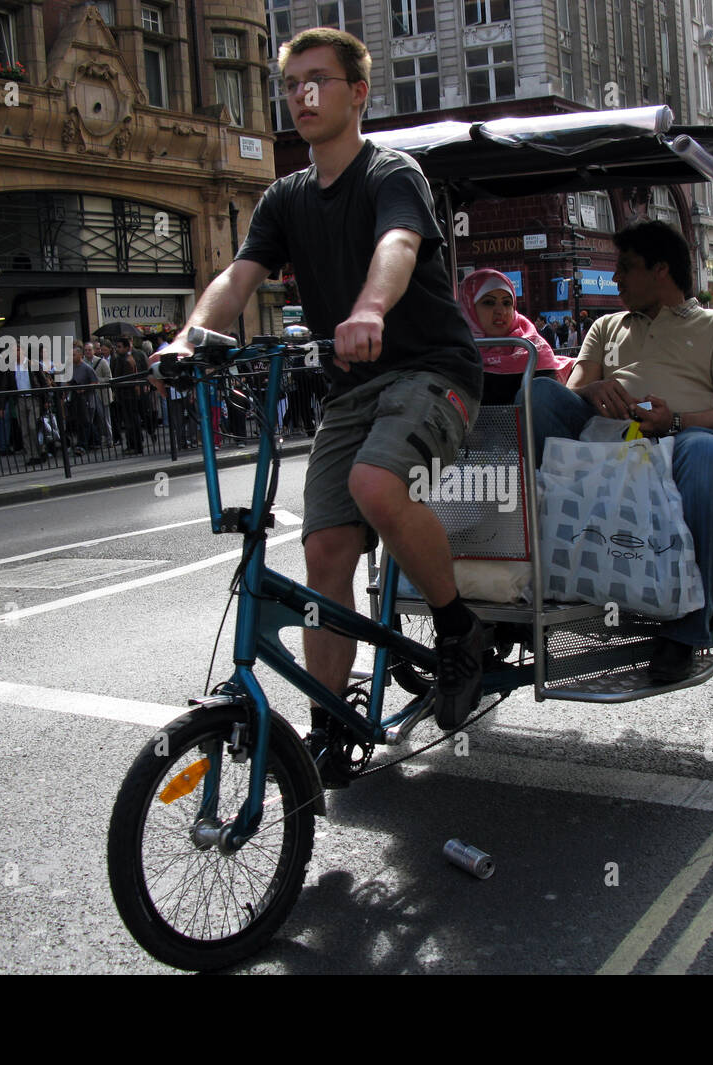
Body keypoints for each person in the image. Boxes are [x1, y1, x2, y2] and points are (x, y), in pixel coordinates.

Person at [152, 27, 485, 739]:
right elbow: (238, 277)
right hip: (351, 387)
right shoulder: (284, 198)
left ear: (358, 93)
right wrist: (190, 337)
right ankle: (330, 726)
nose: (301, 94)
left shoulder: (392, 173)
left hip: (432, 371)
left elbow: (397, 244)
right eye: (291, 82)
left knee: (375, 485)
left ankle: (461, 627)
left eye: (318, 79)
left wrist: (369, 307)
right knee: (324, 553)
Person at [519, 220, 713, 683]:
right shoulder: (606, 326)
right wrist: (593, 391)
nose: (616, 280)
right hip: (606, 442)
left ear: (661, 270)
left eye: (625, 268)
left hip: (681, 440)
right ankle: (517, 576)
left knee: (708, 454)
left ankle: (686, 627)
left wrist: (676, 422)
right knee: (540, 396)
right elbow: (573, 389)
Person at [459, 269, 572, 404]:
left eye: (507, 303)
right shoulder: (452, 354)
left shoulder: (533, 349)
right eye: (489, 302)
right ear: (468, 307)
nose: (501, 311)